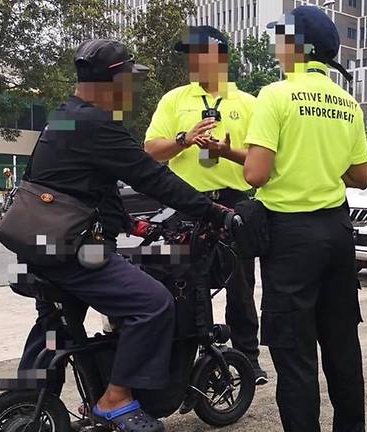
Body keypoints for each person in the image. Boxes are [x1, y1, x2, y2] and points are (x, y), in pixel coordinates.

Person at [16, 39, 230, 432]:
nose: (133, 89)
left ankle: (28, 400)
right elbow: (153, 178)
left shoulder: (63, 117)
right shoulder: (99, 126)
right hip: (76, 252)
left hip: (40, 246)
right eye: (130, 80)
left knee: (57, 324)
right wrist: (213, 210)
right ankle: (116, 399)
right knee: (153, 303)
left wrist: (130, 226)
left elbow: (83, 182)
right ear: (113, 81)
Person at [243, 6, 367, 432]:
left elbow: (256, 173)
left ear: (298, 47)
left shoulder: (275, 95)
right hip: (337, 234)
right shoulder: (347, 101)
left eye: (282, 40)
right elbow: (362, 176)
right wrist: (322, 161)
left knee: (295, 354)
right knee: (341, 347)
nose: (278, 48)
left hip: (289, 237)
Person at [144, 26, 267, 384]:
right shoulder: (174, 99)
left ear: (221, 57)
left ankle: (247, 357)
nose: (193, 61)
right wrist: (185, 140)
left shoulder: (249, 103)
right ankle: (192, 357)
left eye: (200, 53)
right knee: (185, 284)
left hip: (233, 202)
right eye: (190, 54)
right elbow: (151, 151)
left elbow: (261, 159)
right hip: (186, 203)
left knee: (241, 283)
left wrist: (226, 150)